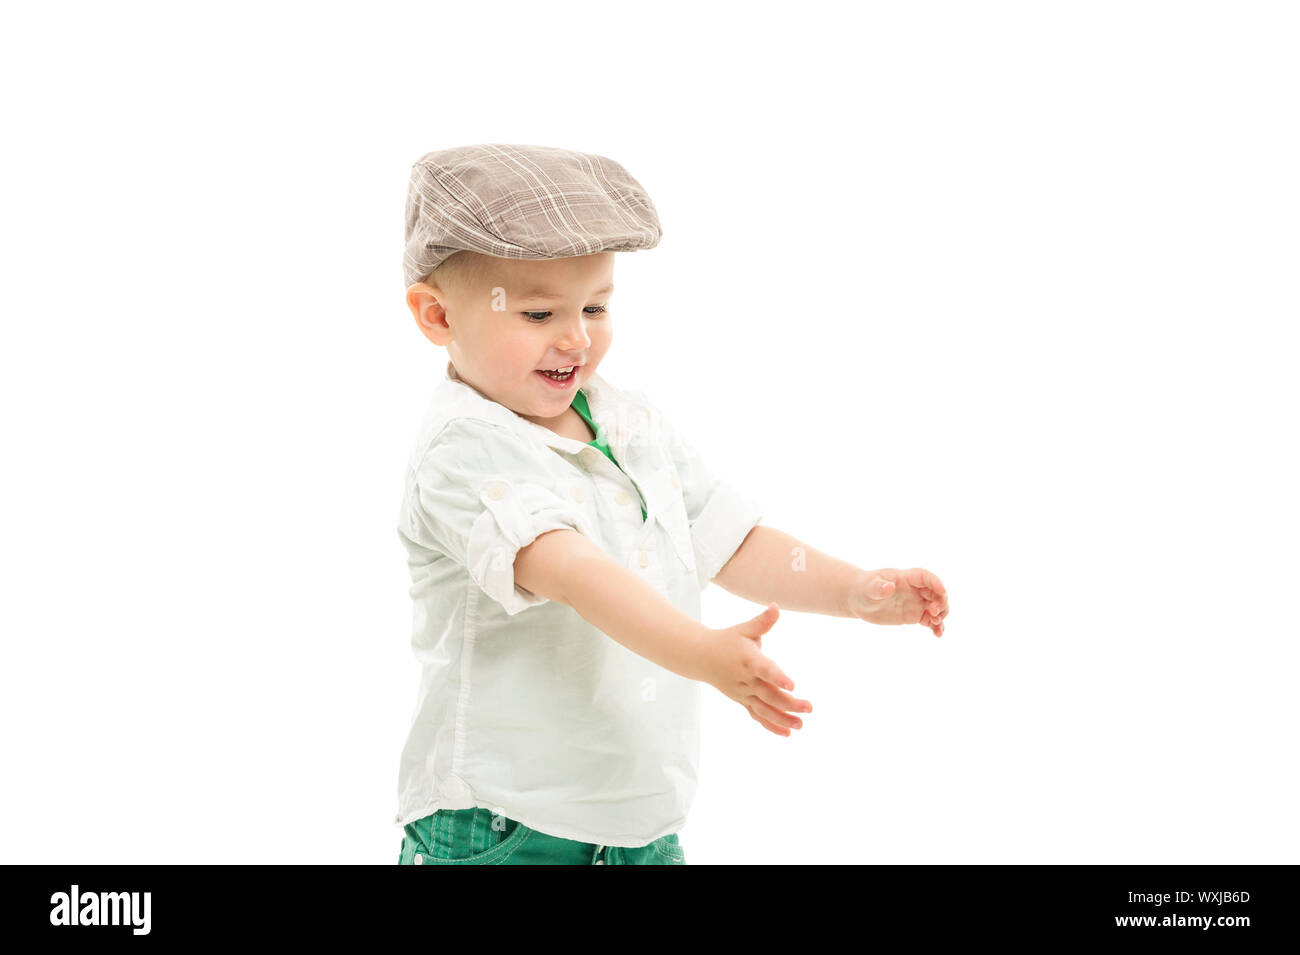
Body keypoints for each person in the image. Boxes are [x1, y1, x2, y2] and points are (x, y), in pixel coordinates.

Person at [393, 143, 950, 865]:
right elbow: (574, 571)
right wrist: (706, 653)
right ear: (436, 316)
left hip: (637, 822)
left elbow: (731, 538)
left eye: (596, 304)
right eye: (537, 313)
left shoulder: (629, 422)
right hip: (504, 822)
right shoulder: (464, 447)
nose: (577, 336)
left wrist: (855, 589)